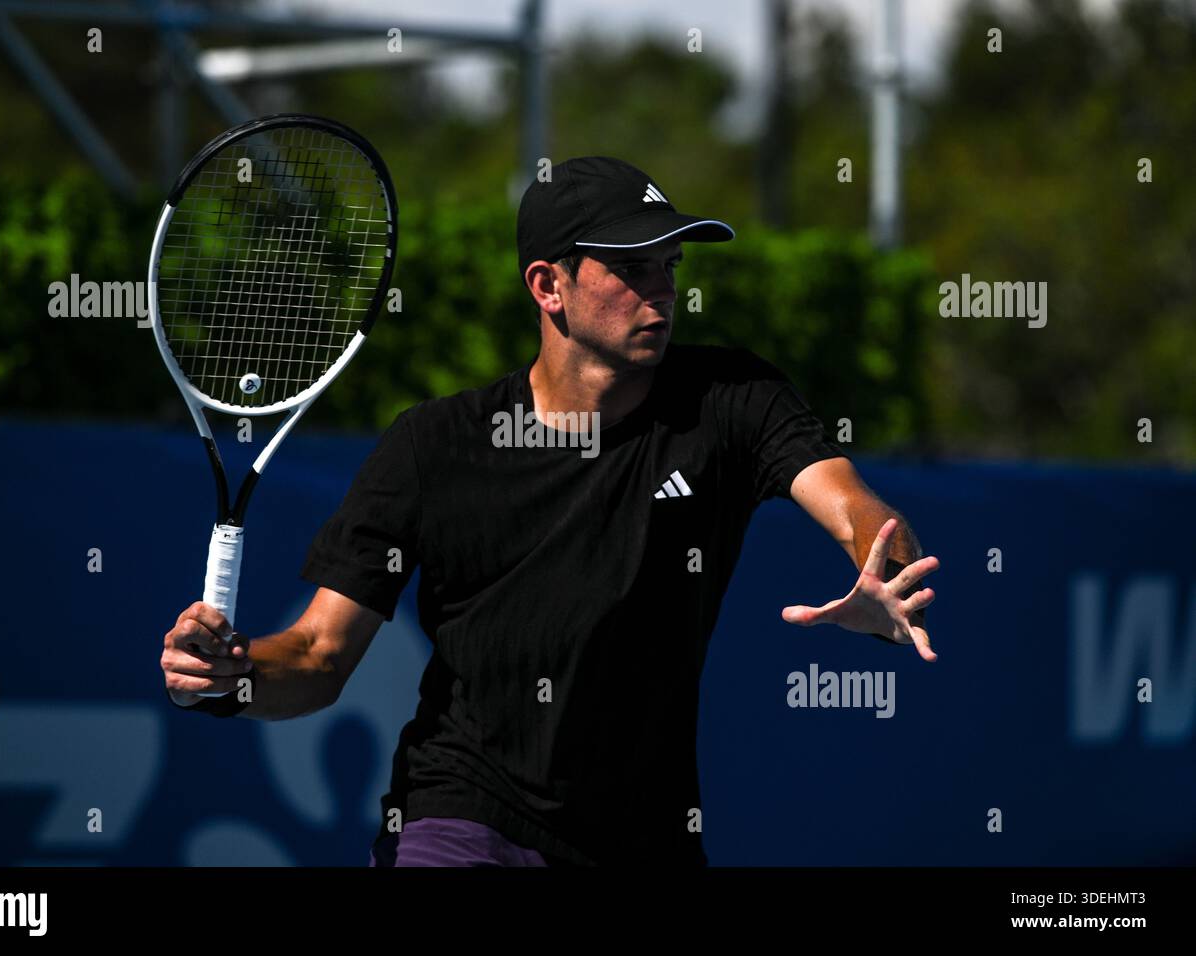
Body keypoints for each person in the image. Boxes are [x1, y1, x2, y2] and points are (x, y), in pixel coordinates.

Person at [161, 156, 940, 867]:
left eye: (668, 264)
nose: (661, 288)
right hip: (462, 821)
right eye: (630, 267)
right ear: (548, 286)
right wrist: (230, 675)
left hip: (648, 840)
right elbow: (318, 656)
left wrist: (884, 574)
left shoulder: (732, 402)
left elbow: (853, 510)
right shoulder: (434, 447)